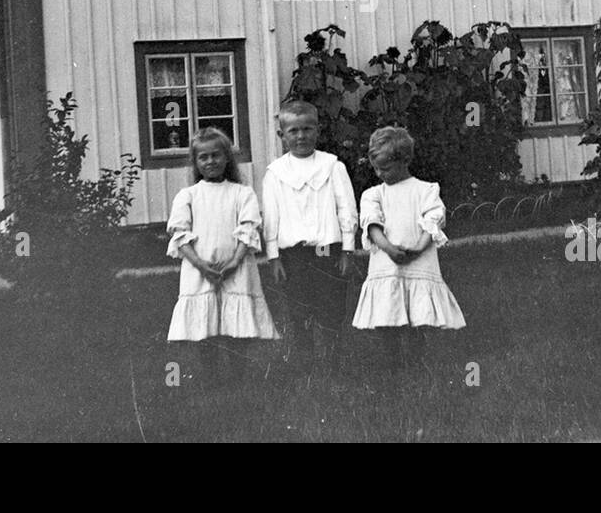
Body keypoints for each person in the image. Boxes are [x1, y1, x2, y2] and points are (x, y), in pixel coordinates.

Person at [166, 127, 279, 386]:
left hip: (236, 267)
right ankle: (212, 377)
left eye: (216, 155)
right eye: (203, 157)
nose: (210, 161)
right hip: (200, 268)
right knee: (206, 326)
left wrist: (234, 262)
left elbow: (249, 229)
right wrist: (201, 265)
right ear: (195, 162)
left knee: (236, 325)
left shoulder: (242, 193)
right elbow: (179, 234)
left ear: (227, 157)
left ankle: (238, 377)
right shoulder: (188, 196)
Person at [352, 126, 465, 371]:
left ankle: (416, 361)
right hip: (387, 262)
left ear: (404, 160)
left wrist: (418, 248)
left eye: (386, 168)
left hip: (419, 259)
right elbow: (372, 226)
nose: (380, 173)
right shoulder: (374, 194)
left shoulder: (426, 190)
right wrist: (390, 249)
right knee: (387, 312)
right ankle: (392, 362)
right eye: (376, 168)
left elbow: (432, 223)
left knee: (418, 315)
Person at [261, 100, 359, 376]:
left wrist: (348, 250)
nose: (301, 136)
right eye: (293, 131)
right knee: (298, 307)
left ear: (318, 130)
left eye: (307, 129)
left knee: (331, 305)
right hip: (294, 255)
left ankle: (333, 361)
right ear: (282, 135)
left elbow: (346, 208)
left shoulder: (332, 166)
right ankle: (305, 361)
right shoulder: (275, 174)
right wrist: (273, 257)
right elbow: (271, 218)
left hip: (327, 250)